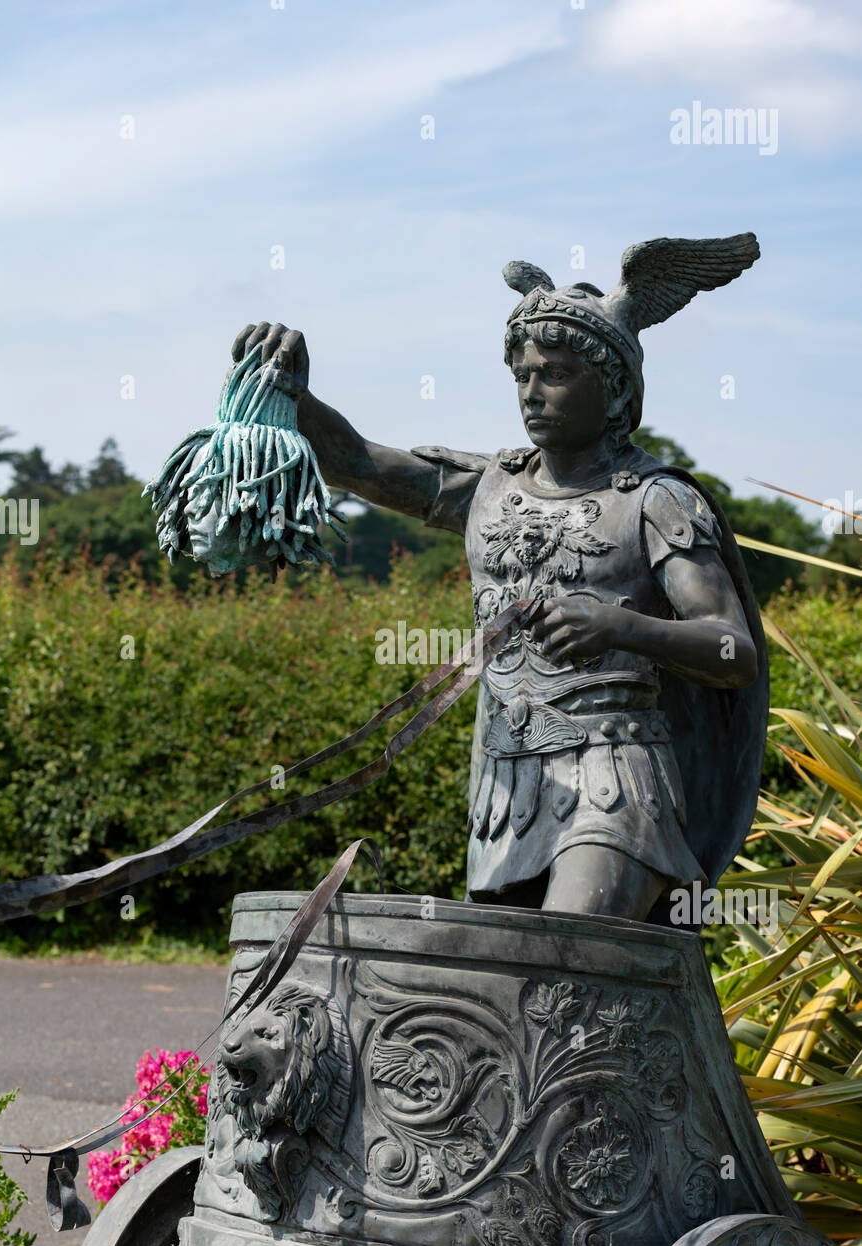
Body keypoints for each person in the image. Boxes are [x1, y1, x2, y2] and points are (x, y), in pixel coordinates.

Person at [225, 235, 767, 923]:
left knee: (569, 957)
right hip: (506, 785)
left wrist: (619, 625)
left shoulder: (655, 500)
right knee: (513, 995)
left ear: (615, 385)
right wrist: (292, 392)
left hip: (617, 783)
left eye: (556, 374)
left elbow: (732, 650)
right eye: (522, 374)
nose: (532, 393)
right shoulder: (488, 487)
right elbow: (358, 463)